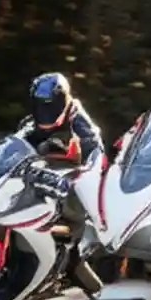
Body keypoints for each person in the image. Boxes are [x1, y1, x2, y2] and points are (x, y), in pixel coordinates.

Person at [12, 72, 106, 204]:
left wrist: (66, 183)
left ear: (64, 102)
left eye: (50, 106)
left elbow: (95, 166)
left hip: (69, 195)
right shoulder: (29, 124)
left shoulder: (82, 127)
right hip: (35, 188)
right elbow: (13, 148)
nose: (44, 112)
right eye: (39, 106)